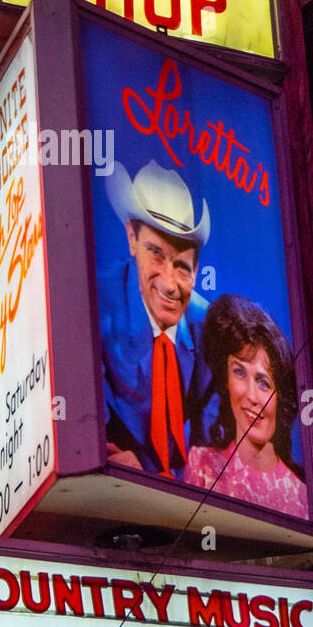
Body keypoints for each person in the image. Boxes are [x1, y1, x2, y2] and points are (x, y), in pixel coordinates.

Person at [98, 160, 212, 480]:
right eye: (156, 254)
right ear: (132, 238)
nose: (169, 283)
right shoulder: (94, 302)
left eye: (182, 266)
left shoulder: (210, 327)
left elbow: (217, 435)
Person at [183, 294, 308, 517]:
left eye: (263, 383)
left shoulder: (302, 496)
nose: (251, 396)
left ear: (282, 398)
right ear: (225, 381)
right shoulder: (201, 465)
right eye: (239, 372)